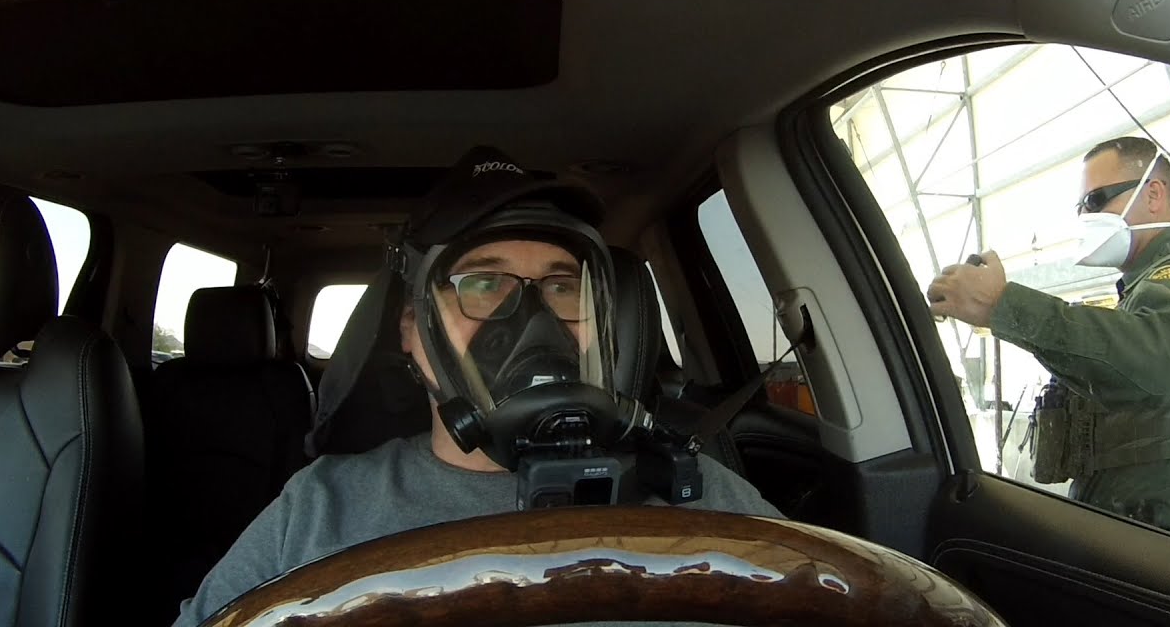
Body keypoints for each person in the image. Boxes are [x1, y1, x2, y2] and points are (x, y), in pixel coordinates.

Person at [173, 146, 783, 627]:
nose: (533, 319)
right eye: (482, 283)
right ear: (413, 330)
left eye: (563, 286)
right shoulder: (318, 509)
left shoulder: (701, 497)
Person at [928, 136, 1170, 538]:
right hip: (1132, 531)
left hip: (1160, 544)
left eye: (1096, 200)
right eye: (1082, 206)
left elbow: (1151, 361)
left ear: (1153, 195)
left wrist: (1001, 305)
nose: (1088, 216)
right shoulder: (1145, 289)